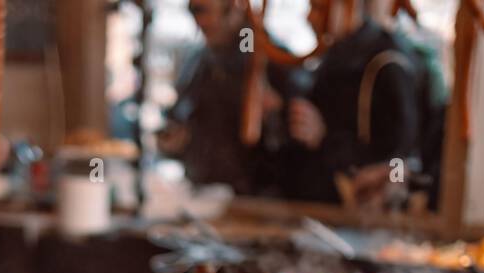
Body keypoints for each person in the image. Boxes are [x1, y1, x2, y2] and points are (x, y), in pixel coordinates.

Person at [284, 0, 422, 206]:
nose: (309, 17)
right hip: (320, 217)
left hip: (366, 227)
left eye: (319, 8)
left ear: (349, 6)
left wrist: (324, 138)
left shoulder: (388, 65)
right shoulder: (332, 59)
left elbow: (397, 162)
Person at [159, 0, 294, 195]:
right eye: (193, 11)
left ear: (234, 8)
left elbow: (296, 142)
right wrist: (173, 140)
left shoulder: (270, 58)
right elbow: (178, 120)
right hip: (203, 194)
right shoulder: (196, 61)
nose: (199, 21)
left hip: (256, 199)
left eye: (202, 11)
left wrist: (275, 117)